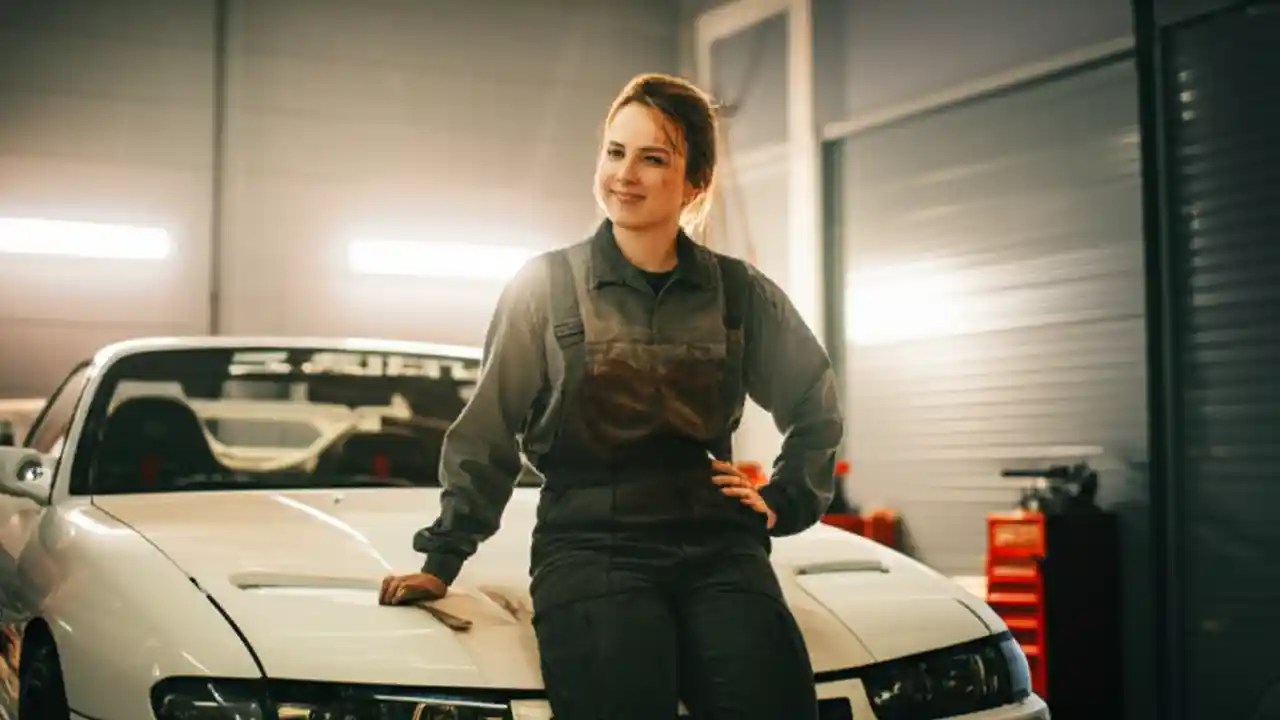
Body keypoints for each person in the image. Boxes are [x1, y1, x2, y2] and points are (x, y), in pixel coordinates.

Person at [379, 72, 844, 719]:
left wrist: (782, 499)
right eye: (615, 151)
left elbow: (814, 403)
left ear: (695, 183)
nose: (625, 173)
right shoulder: (544, 289)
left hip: (719, 545)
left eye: (653, 158)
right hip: (592, 544)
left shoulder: (739, 294)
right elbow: (488, 428)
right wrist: (443, 557)